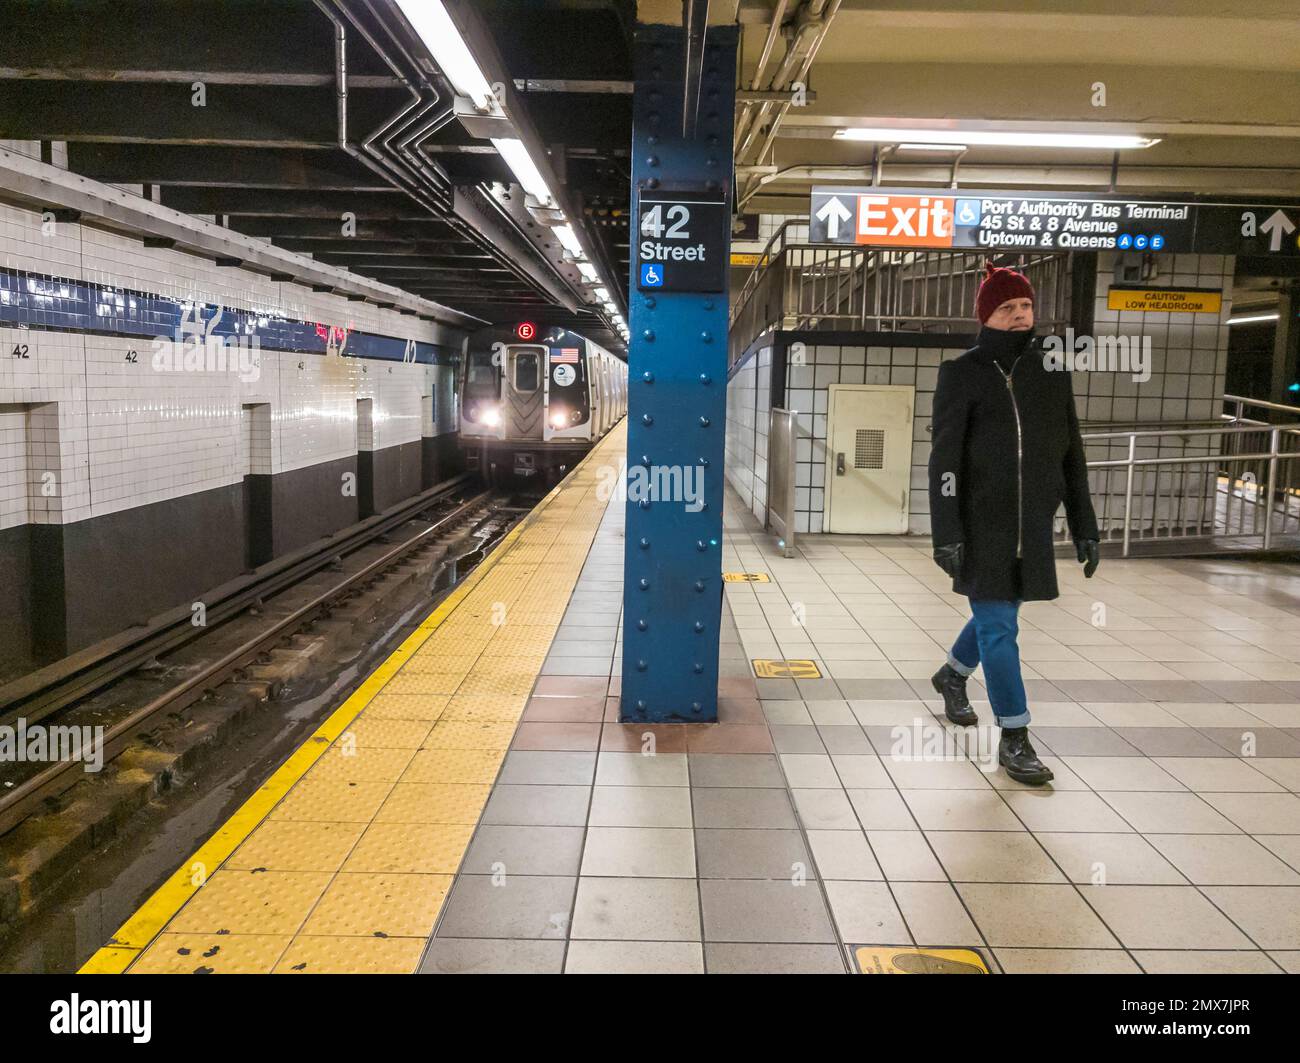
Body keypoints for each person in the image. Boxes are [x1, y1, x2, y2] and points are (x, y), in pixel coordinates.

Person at [927, 263, 1100, 786]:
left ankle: (952, 676)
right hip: (982, 526)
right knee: (1001, 626)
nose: (1021, 315)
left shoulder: (1051, 372)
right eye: (1008, 307)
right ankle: (1015, 736)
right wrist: (946, 532)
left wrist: (1085, 523)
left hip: (1033, 526)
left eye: (1025, 305)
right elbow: (945, 462)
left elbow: (1071, 453)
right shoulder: (963, 373)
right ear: (988, 316)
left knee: (1001, 614)